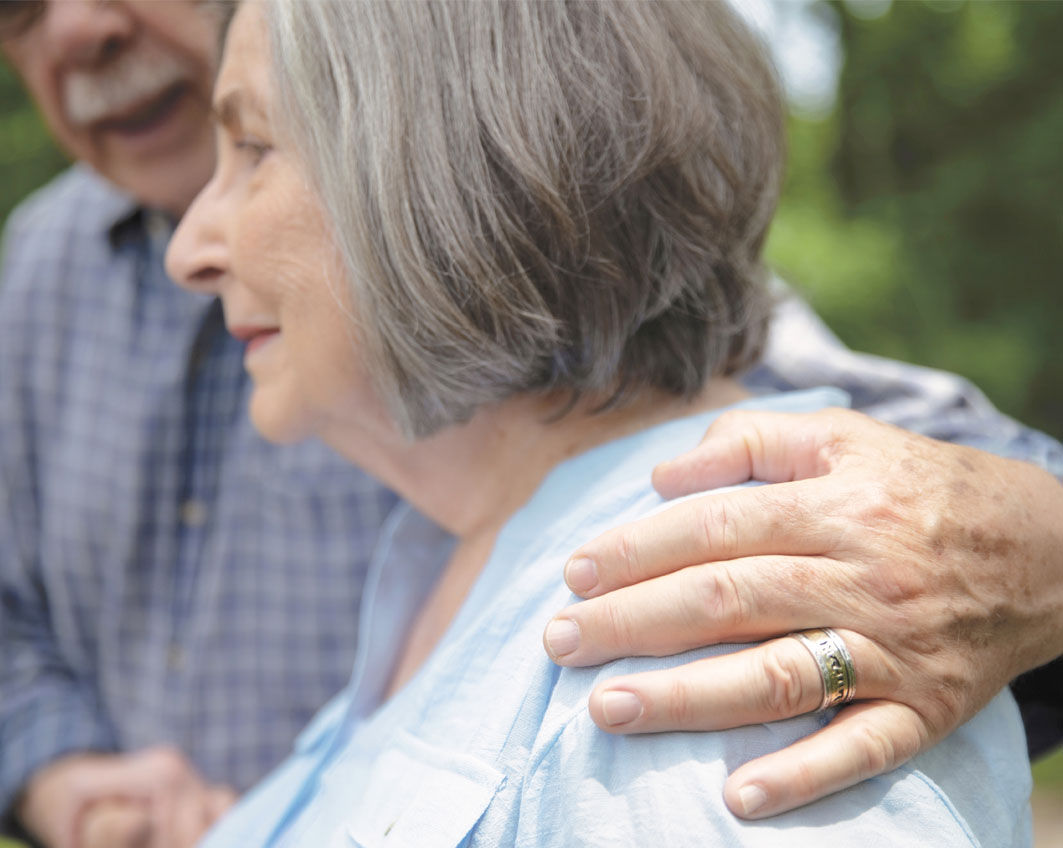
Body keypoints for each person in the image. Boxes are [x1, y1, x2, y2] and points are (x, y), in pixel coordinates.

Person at [0, 1, 1060, 846]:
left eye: (255, 148)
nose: (195, 248)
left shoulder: (680, 660)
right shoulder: (45, 274)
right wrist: (56, 771)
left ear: (437, 173)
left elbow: (918, 512)